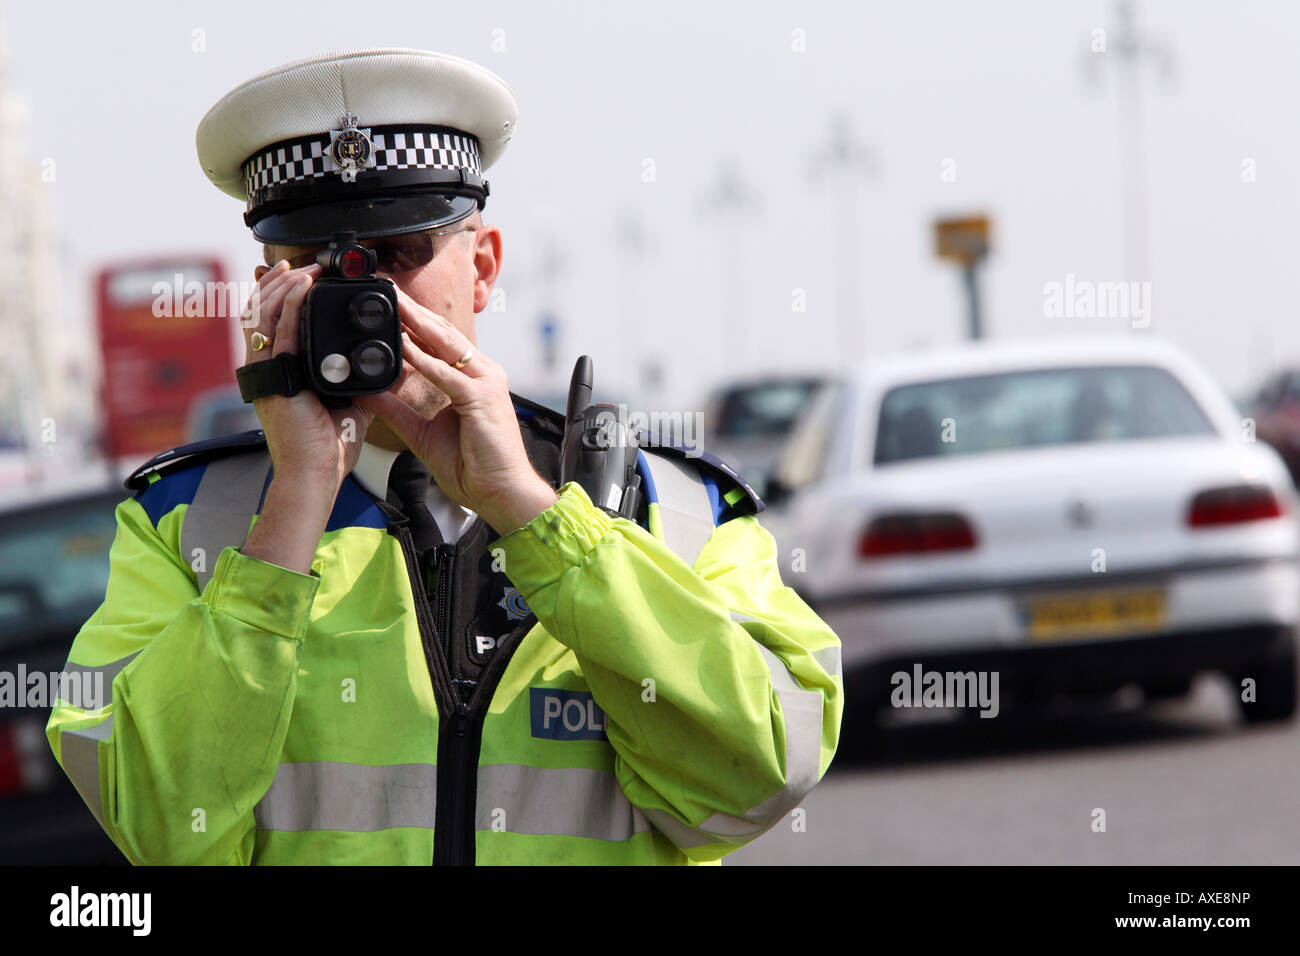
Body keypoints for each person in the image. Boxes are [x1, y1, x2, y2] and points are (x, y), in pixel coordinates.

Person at [46, 48, 843, 865]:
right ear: (266, 291)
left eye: (400, 256)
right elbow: (155, 822)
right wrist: (293, 504)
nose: (368, 300)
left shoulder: (667, 509)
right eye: (316, 268)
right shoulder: (188, 522)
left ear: (484, 265)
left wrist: (536, 520)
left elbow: (763, 775)